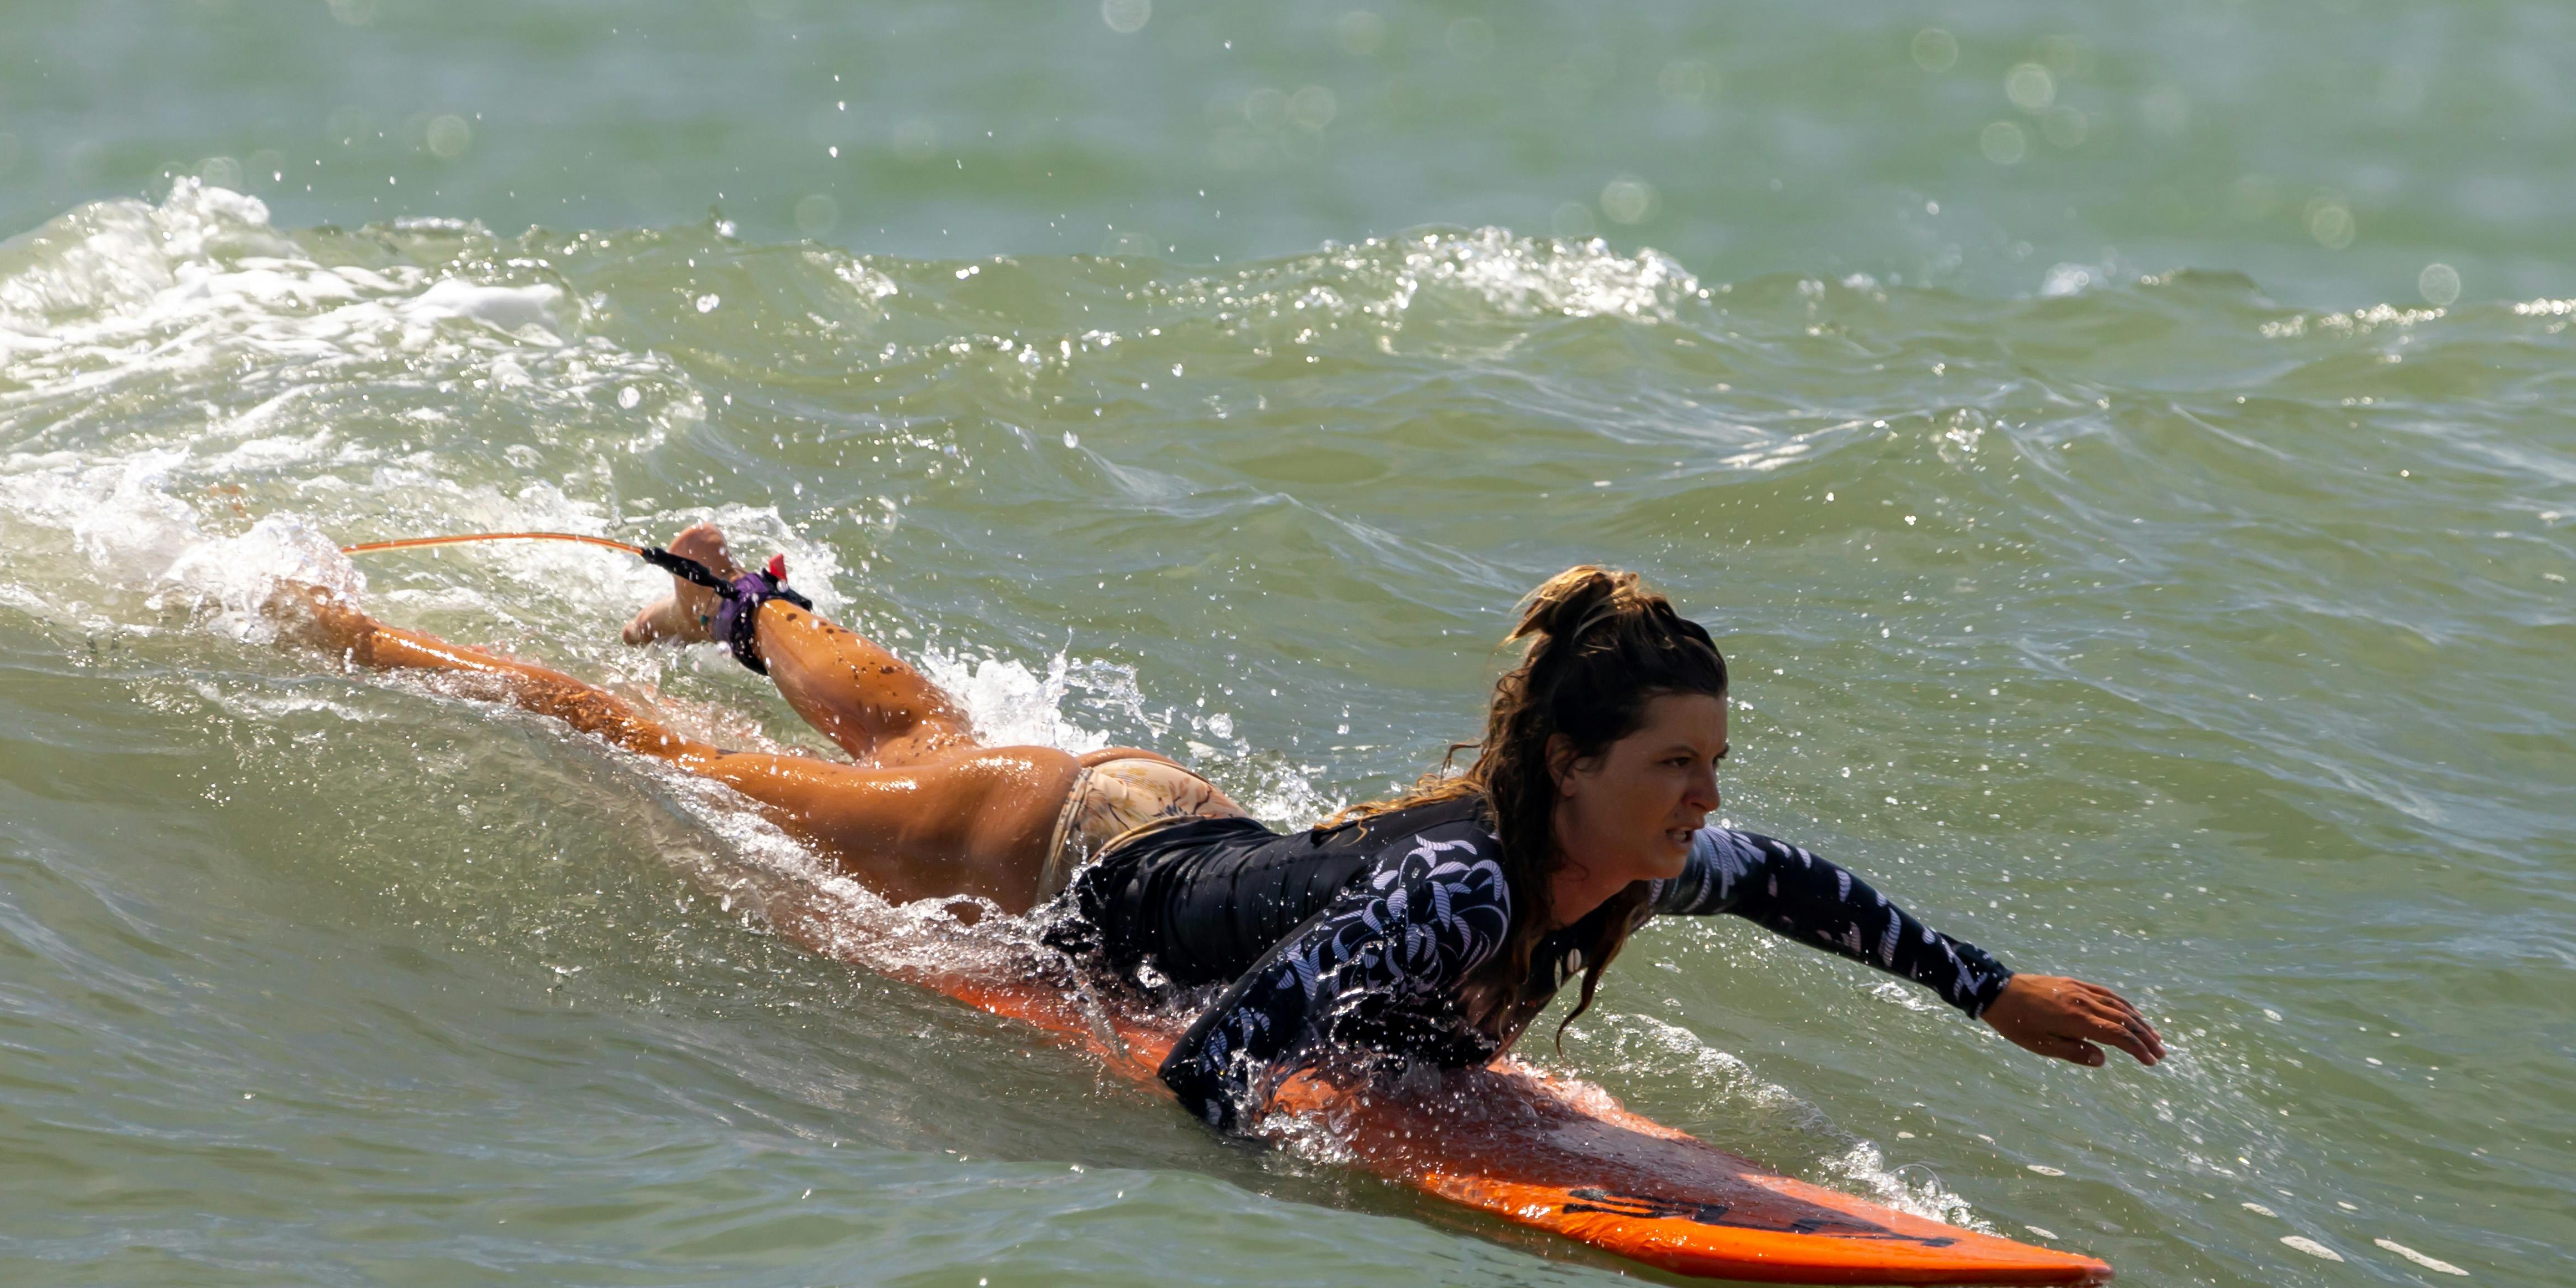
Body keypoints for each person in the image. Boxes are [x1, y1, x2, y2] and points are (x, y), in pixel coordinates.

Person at [277, 524, 2162, 1132]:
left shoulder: (1648, 856)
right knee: (678, 763)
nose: (1711, 806)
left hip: (1177, 827)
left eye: (1716, 768)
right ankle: (370, 637)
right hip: (1065, 861)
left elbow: (1816, 894)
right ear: (1576, 769)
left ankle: (745, 595)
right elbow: (1210, 1072)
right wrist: (1354, 1161)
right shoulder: (1447, 894)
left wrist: (1990, 993)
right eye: (1680, 770)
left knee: (920, 735)